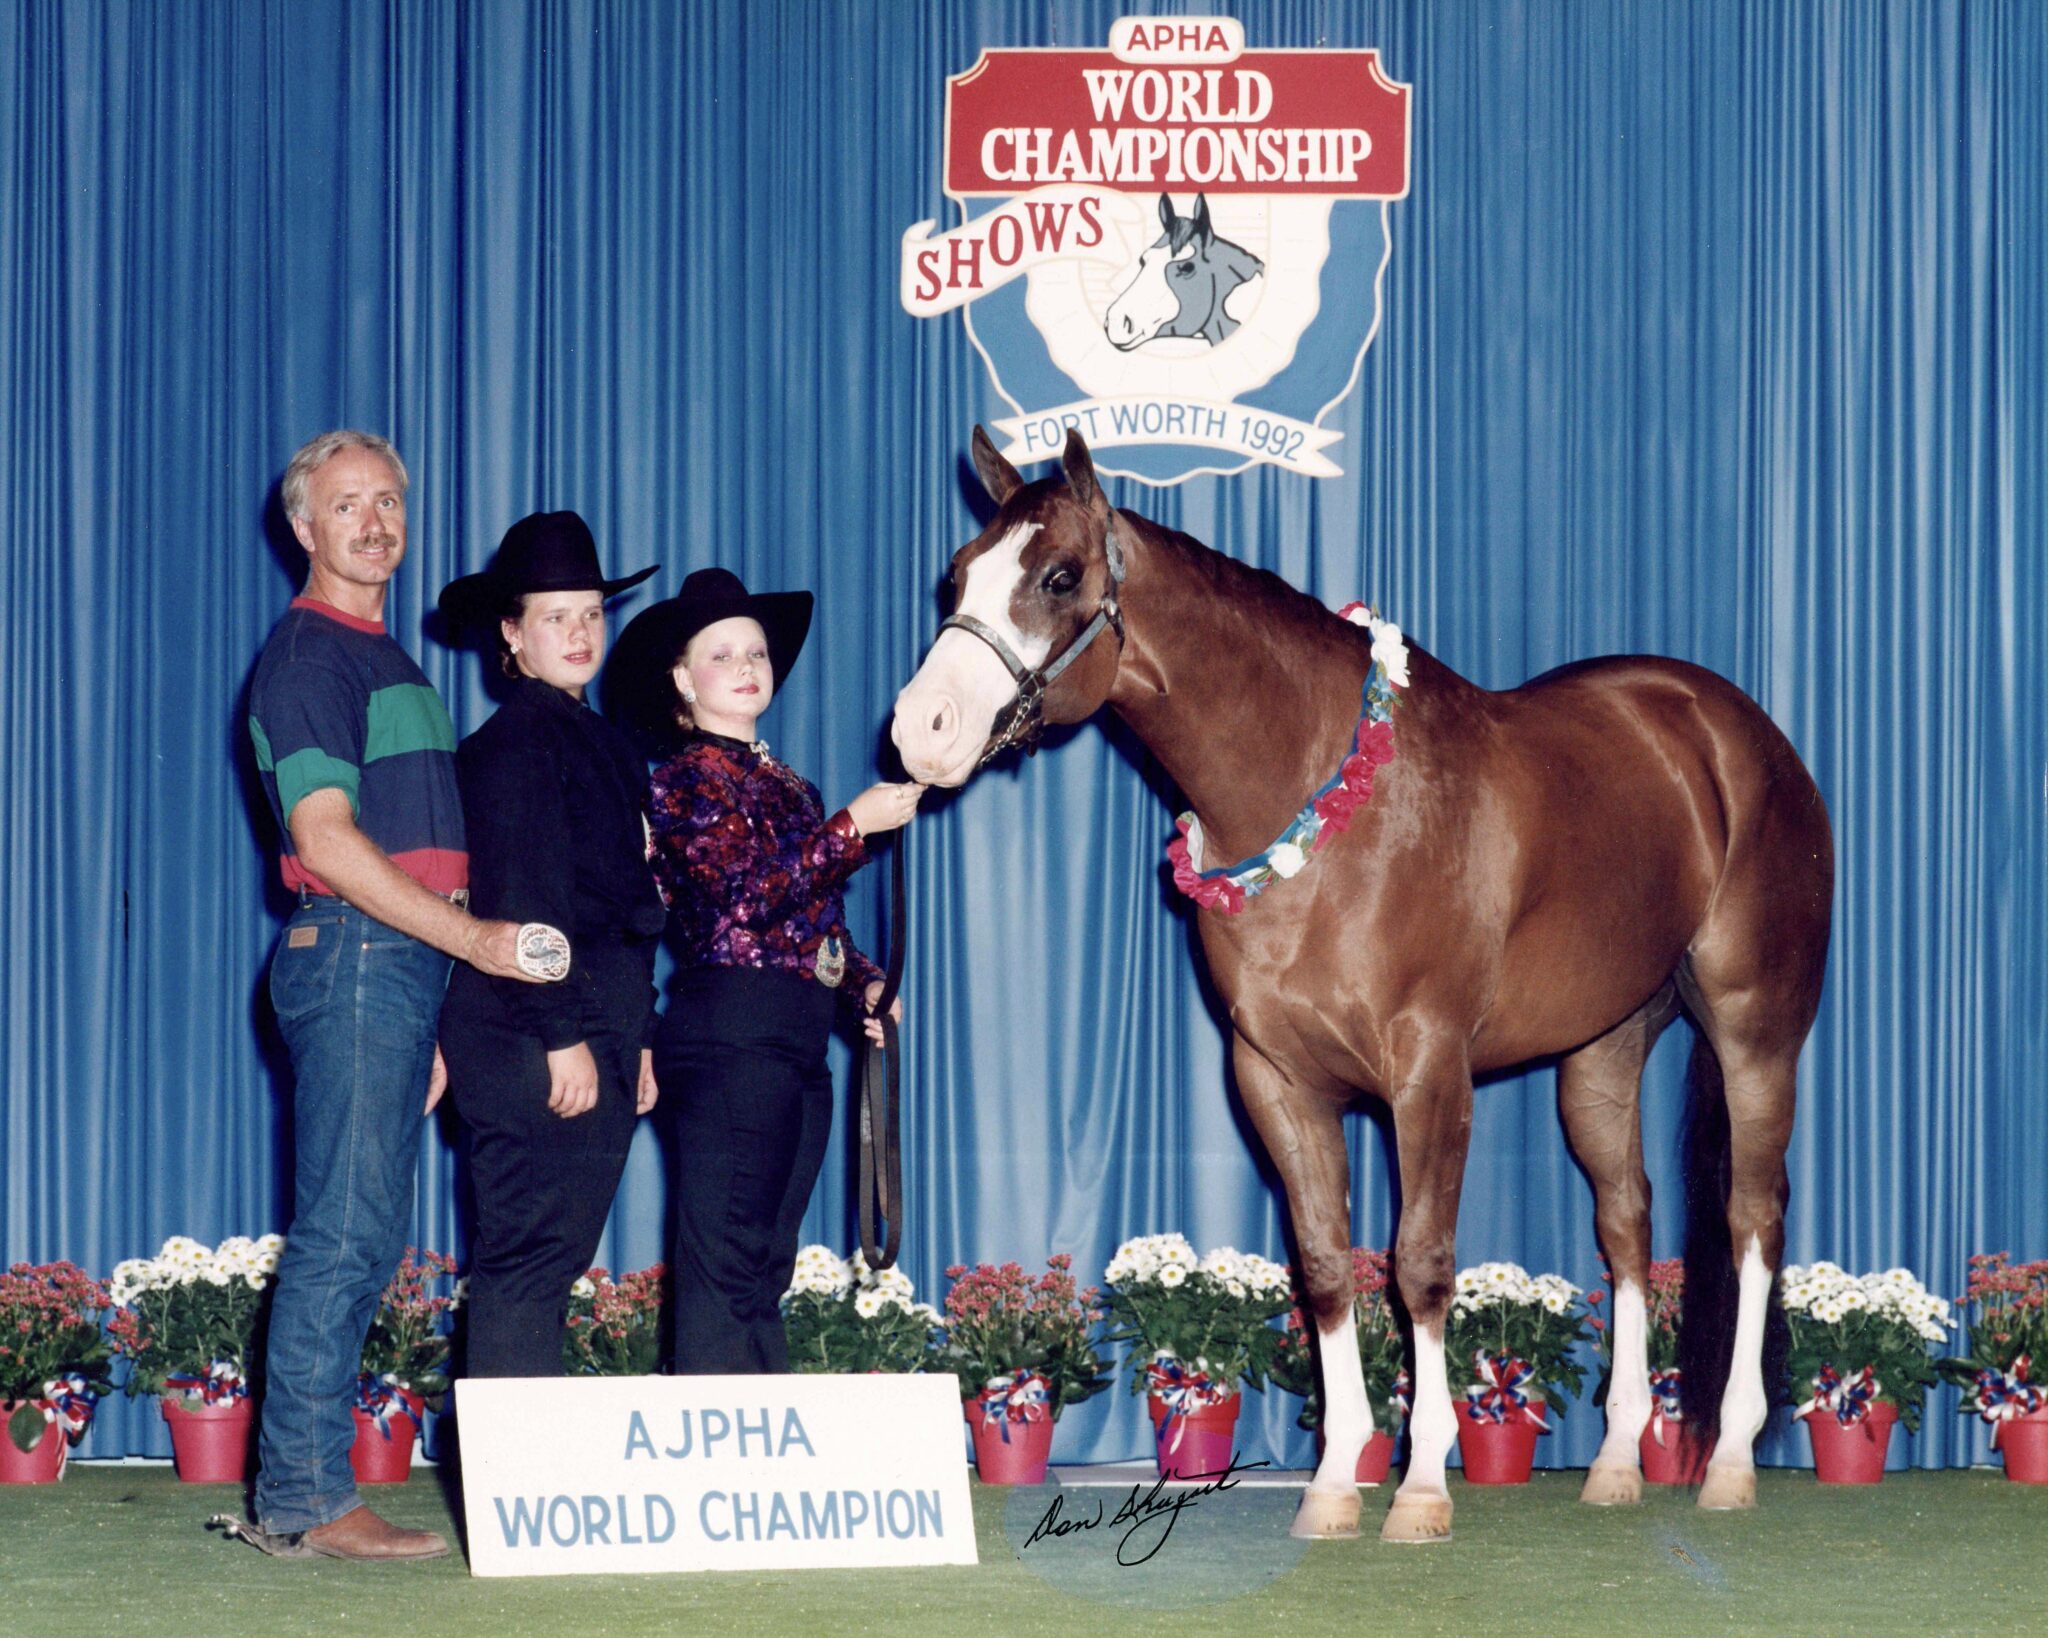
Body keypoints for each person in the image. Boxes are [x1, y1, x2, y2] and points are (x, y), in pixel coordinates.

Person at [243, 430, 540, 1561]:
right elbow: (326, 839)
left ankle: (306, 1489)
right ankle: (305, 1499)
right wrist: (475, 944)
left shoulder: (393, 665)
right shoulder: (310, 658)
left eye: (390, 501)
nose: (375, 523)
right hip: (359, 955)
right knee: (346, 1230)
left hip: (392, 970)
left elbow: (419, 848)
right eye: (347, 505)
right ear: (304, 529)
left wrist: (440, 1001)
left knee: (362, 1232)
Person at [609, 568, 924, 1374]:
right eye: (722, 654)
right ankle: (716, 1452)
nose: (748, 665)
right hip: (731, 1033)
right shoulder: (680, 781)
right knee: (726, 1254)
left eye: (756, 651)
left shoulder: (787, 784)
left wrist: (863, 983)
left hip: (791, 1035)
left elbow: (807, 920)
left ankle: (755, 1436)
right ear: (682, 679)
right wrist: (853, 826)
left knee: (764, 1254)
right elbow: (741, 901)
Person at [435, 511, 667, 1379]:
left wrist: (633, 1037)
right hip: (530, 1028)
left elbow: (622, 908)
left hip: (595, 1021)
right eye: (554, 617)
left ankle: (517, 1481)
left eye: (591, 615)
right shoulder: (512, 746)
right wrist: (564, 1036)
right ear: (511, 632)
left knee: (548, 1262)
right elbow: (526, 905)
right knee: (528, 1262)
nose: (578, 633)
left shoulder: (603, 742)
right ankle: (504, 1494)